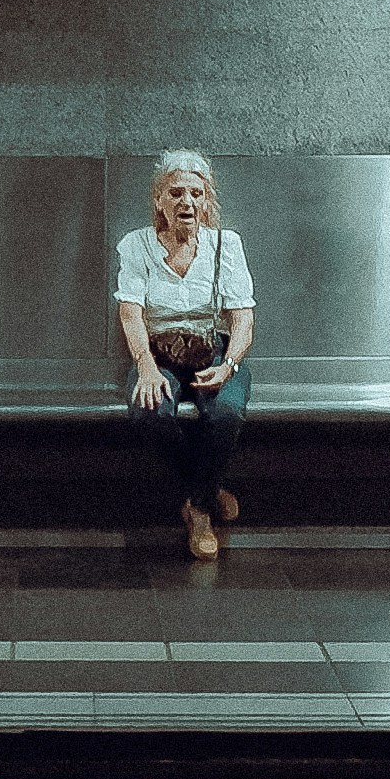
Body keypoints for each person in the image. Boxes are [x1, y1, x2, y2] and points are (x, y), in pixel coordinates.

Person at [115, 150, 256, 561]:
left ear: (207, 202)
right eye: (175, 193)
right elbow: (131, 312)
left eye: (196, 194)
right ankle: (207, 495)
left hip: (214, 352)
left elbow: (243, 319)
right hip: (157, 355)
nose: (186, 203)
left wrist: (228, 365)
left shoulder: (225, 246)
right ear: (159, 200)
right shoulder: (136, 246)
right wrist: (144, 366)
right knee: (149, 412)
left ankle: (198, 512)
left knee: (226, 413)